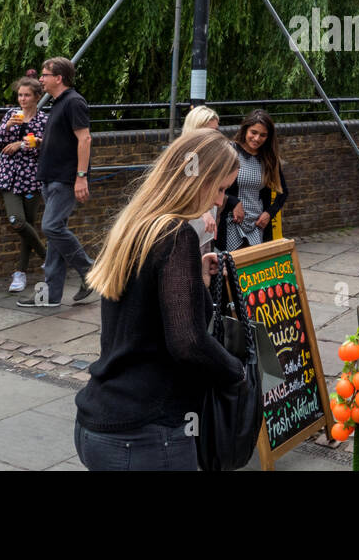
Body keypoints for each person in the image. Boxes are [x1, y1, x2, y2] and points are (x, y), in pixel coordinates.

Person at [73, 129, 245, 470]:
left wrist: (195, 274)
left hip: (101, 420)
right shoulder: (176, 235)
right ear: (199, 178)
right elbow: (187, 341)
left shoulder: (138, 224)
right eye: (221, 188)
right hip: (147, 432)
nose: (220, 201)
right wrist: (236, 372)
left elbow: (144, 302)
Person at [18, 57, 94, 308]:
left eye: (45, 75)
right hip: (50, 177)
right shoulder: (57, 103)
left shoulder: (74, 102)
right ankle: (49, 295)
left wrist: (81, 177)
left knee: (51, 227)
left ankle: (91, 272)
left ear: (58, 78)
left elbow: (85, 140)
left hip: (65, 179)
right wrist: (40, 143)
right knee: (55, 236)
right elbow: (66, 140)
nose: (41, 79)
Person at [0, 77, 48, 293]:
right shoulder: (11, 116)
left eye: (27, 95)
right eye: (20, 95)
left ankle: (20, 273)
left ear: (36, 97)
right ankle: (48, 257)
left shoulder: (43, 120)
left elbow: (47, 147)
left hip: (31, 177)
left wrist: (22, 144)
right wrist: (7, 128)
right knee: (17, 221)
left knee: (29, 224)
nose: (23, 99)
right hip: (9, 176)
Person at [215, 109, 286, 252]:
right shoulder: (230, 151)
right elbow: (215, 186)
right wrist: (233, 202)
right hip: (231, 221)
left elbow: (283, 192)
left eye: (263, 135)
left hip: (256, 224)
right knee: (233, 267)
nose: (257, 138)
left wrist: (269, 213)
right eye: (253, 132)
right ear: (245, 129)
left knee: (252, 270)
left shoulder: (269, 158)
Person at [182, 105, 222, 248]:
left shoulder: (209, 152)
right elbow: (189, 187)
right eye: (209, 131)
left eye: (216, 130)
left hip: (204, 225)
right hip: (194, 222)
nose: (214, 135)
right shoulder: (190, 154)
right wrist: (205, 213)